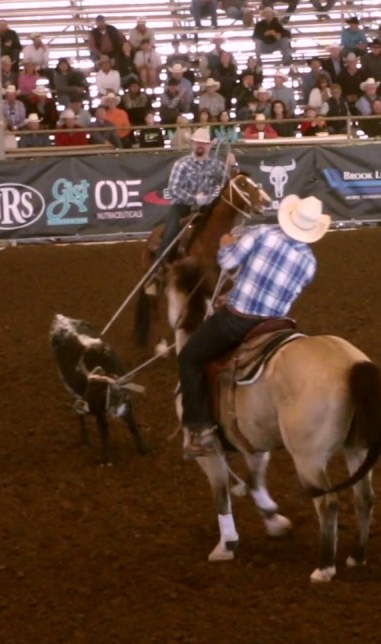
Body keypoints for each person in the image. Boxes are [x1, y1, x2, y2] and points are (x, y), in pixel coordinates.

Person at [177, 194, 325, 457]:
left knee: (189, 356)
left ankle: (200, 429)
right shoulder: (310, 263)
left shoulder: (264, 234)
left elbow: (228, 263)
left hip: (239, 319)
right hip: (277, 325)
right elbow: (283, 292)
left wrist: (225, 245)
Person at [157, 127, 229, 258]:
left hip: (207, 208)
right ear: (193, 144)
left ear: (210, 145)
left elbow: (231, 183)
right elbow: (173, 189)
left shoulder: (217, 165)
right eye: (197, 143)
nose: (200, 146)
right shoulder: (182, 164)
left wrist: (233, 165)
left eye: (204, 143)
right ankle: (159, 267)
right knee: (170, 234)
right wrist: (194, 199)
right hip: (182, 207)